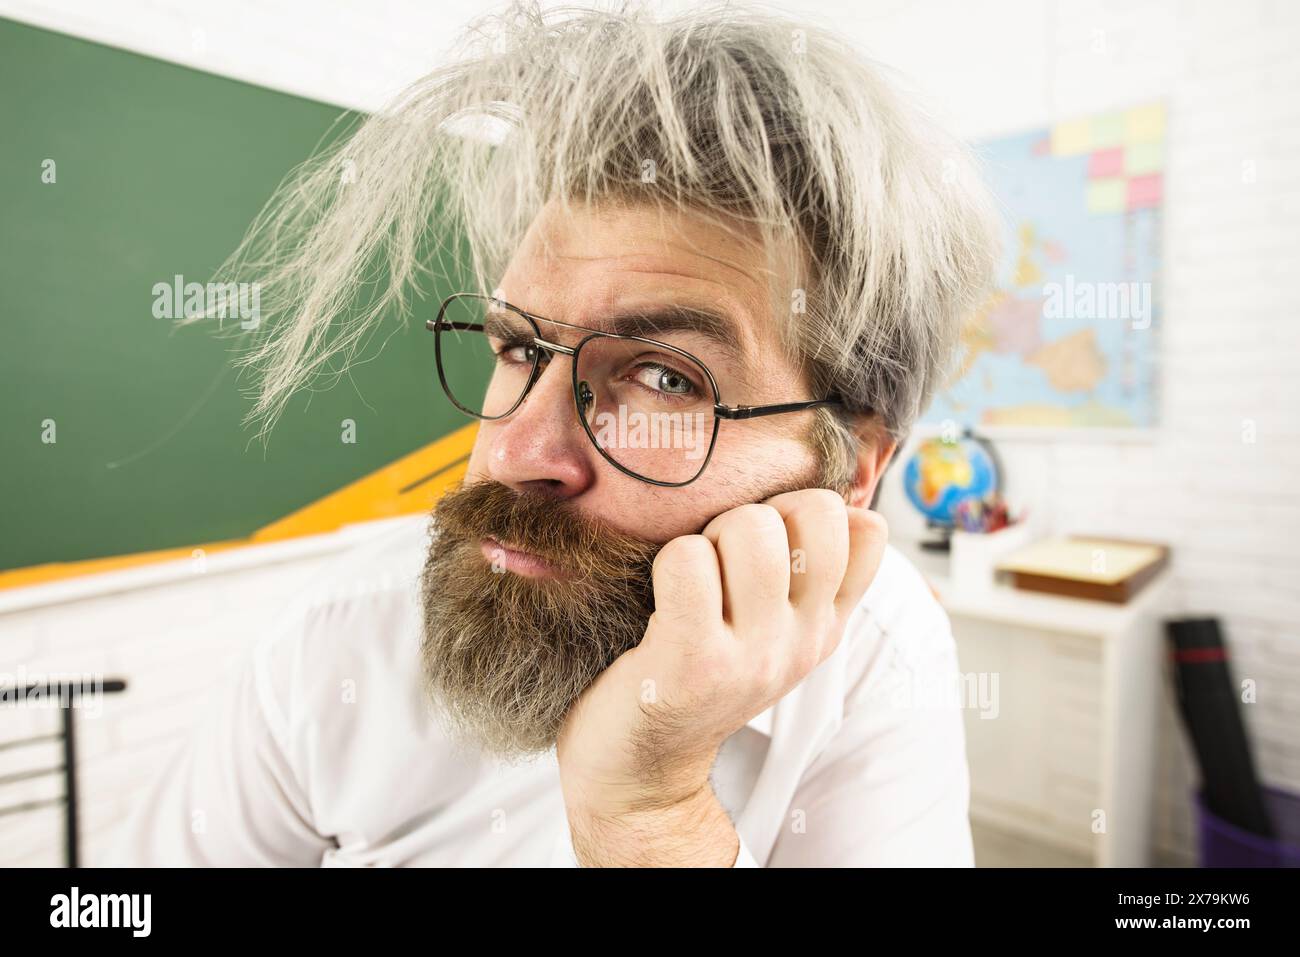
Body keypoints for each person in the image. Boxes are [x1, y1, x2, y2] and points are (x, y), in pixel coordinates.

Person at [105, 0, 1000, 867]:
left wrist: (649, 817)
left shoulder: (878, 657)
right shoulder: (340, 645)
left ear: (852, 475)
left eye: (664, 377)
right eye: (520, 346)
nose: (517, 453)